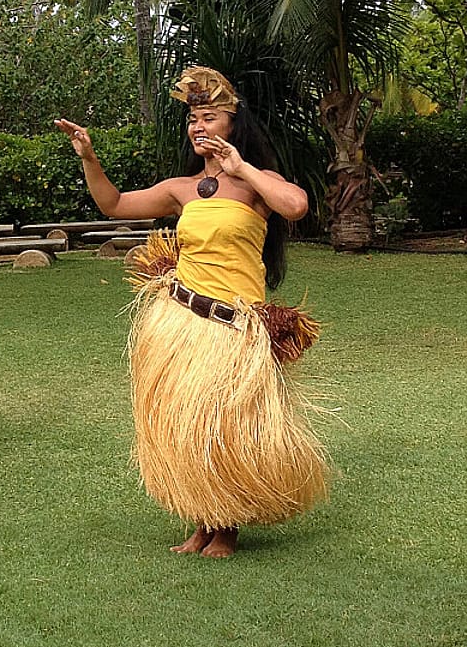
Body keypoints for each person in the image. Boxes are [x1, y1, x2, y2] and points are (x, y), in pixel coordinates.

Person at [56, 66, 328, 558]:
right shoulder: (181, 189)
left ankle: (227, 527)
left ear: (233, 124)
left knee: (224, 424)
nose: (199, 127)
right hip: (182, 320)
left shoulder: (257, 184)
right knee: (190, 422)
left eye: (210, 118)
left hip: (234, 325)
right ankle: (202, 520)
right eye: (193, 119)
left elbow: (296, 207)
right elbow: (114, 205)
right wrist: (89, 156)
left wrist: (241, 168)